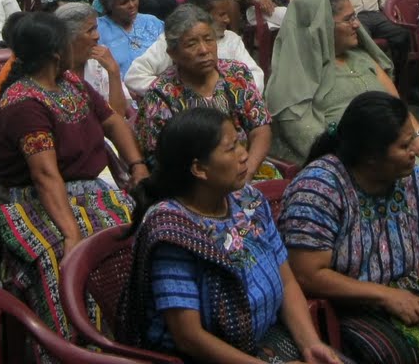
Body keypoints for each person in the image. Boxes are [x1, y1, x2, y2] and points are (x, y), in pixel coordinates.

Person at [264, 0, 419, 287]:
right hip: (354, 161)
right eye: (348, 19)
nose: (357, 25)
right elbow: (309, 139)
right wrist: (370, 154)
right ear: (321, 26)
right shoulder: (295, 77)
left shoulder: (362, 59)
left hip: (390, 147)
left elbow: (396, 104)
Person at [280, 91, 419, 364]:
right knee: (391, 352)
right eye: (405, 146)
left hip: (404, 290)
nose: (415, 151)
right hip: (348, 304)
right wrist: (386, 297)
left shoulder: (411, 177)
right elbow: (307, 274)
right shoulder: (319, 188)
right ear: (371, 156)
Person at [121, 108, 342, 364]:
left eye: (240, 142)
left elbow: (287, 281)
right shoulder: (172, 231)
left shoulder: (249, 201)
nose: (244, 154)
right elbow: (189, 337)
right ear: (199, 169)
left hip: (266, 340)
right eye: (231, 148)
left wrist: (311, 345)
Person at [0, 12, 144, 335]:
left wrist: (138, 166)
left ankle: (135, 338)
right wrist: (71, 234)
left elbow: (112, 121)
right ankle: (79, 345)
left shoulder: (70, 83)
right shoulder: (23, 103)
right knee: (66, 261)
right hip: (34, 199)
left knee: (134, 237)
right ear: (58, 52)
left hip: (91, 190)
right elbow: (45, 176)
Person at [135, 5, 274, 179]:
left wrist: (247, 173)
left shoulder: (237, 74)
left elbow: (260, 128)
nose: (204, 50)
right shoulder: (161, 95)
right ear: (173, 54)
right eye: (191, 44)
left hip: (246, 171)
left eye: (209, 39)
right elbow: (163, 160)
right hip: (195, 186)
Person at [126, 0, 264, 94]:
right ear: (202, 15)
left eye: (208, 40)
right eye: (221, 15)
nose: (227, 20)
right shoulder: (175, 40)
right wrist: (176, 94)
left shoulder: (231, 40)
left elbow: (256, 76)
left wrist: (229, 95)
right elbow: (135, 77)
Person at [97, 0, 166, 74]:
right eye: (123, 3)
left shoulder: (151, 22)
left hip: (157, 85)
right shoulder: (98, 29)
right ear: (109, 5)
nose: (132, 5)